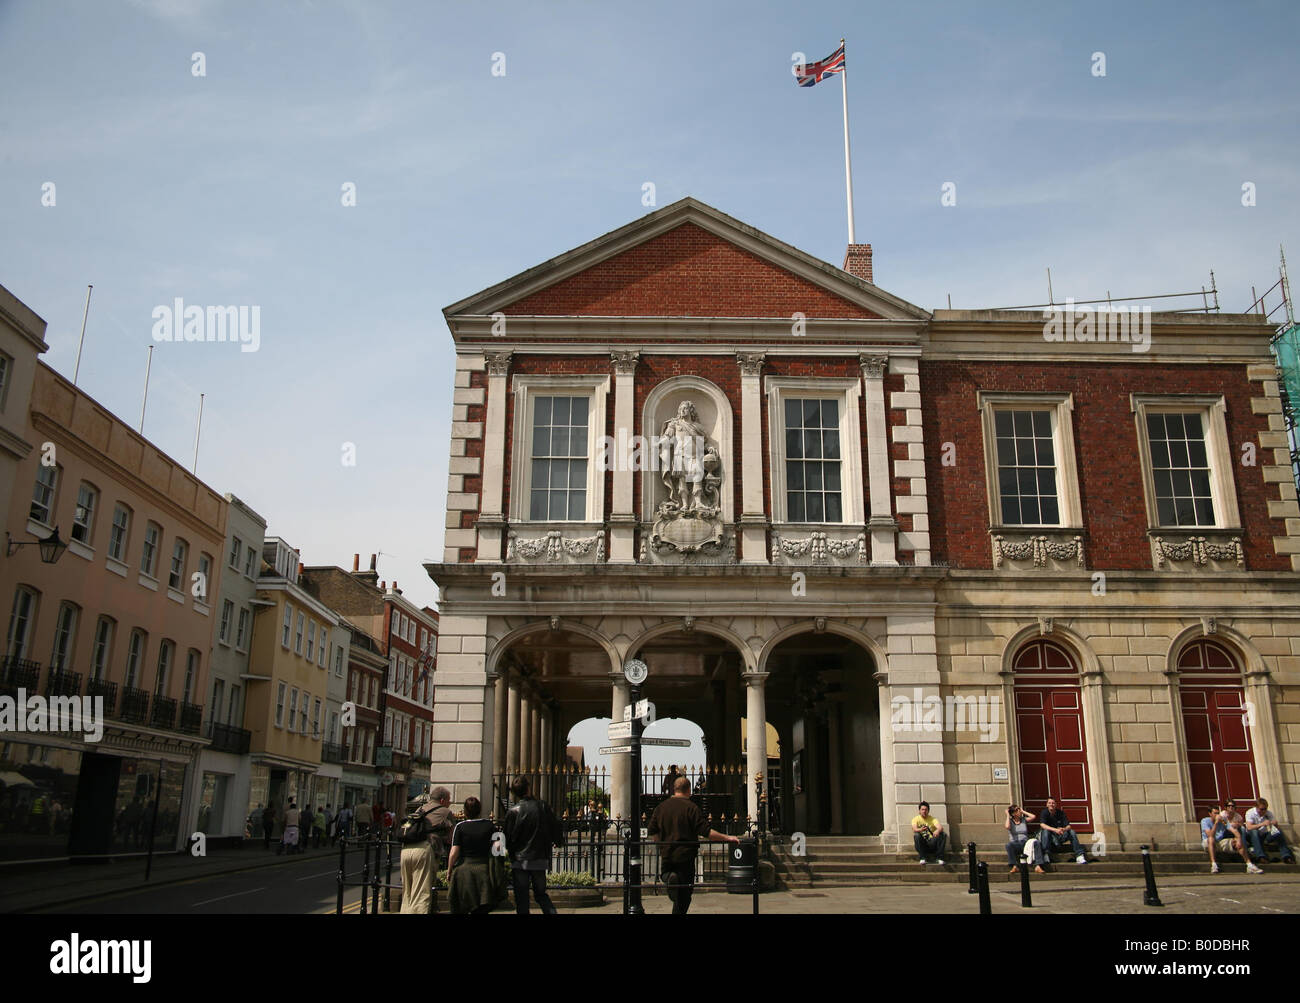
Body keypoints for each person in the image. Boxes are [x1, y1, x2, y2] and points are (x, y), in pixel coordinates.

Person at [648, 776, 739, 914]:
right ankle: (674, 882)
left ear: (674, 789)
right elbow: (706, 832)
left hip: (667, 853)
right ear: (689, 790)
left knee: (665, 874)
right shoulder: (691, 808)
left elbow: (652, 831)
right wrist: (727, 837)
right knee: (685, 896)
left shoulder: (661, 807)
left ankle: (670, 878)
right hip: (685, 855)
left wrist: (661, 844)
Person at [503, 776, 563, 915]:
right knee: (541, 895)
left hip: (519, 860)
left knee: (521, 899)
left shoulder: (513, 811)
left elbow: (507, 837)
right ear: (528, 788)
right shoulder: (542, 806)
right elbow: (555, 827)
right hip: (539, 858)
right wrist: (557, 841)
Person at [399, 787, 455, 914]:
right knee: (421, 892)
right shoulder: (446, 812)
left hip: (406, 849)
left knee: (408, 892)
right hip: (423, 850)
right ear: (442, 800)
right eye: (448, 800)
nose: (450, 802)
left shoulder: (420, 809)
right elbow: (452, 838)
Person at [447, 796, 506, 914]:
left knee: (463, 906)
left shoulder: (460, 826)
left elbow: (454, 851)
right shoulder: (489, 825)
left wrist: (449, 870)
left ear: (465, 811)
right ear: (479, 810)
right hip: (484, 871)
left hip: (464, 871)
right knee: (482, 909)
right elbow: (498, 846)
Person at [1036, 797, 1088, 866]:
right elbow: (1042, 825)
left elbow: (1068, 826)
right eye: (1049, 803)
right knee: (1045, 831)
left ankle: (1079, 855)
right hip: (1050, 838)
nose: (1051, 804)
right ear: (1047, 805)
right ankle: (1046, 854)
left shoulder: (1061, 813)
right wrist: (1055, 830)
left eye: (1053, 803)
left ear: (1056, 804)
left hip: (1060, 836)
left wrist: (1063, 829)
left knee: (1071, 832)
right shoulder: (1044, 812)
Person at [1244, 797, 1295, 864]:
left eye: (1265, 809)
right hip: (1253, 836)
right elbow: (1249, 827)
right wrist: (1262, 824)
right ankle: (1261, 856)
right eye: (1261, 809)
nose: (1263, 811)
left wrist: (1276, 825)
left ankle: (1286, 856)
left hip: (1264, 835)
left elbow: (1276, 828)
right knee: (1254, 832)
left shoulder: (1268, 813)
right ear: (1256, 808)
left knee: (1278, 832)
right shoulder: (1250, 813)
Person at [1218, 800, 1264, 873]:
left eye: (1233, 806)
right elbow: (1223, 825)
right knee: (1238, 830)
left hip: (1236, 833)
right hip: (1226, 833)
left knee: (1242, 829)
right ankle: (1245, 849)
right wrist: (1231, 825)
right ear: (1226, 807)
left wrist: (1238, 825)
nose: (1231, 807)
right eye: (1229, 806)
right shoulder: (1222, 814)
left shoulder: (1237, 816)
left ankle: (1245, 847)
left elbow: (1242, 825)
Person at [1004, 804, 1040, 873]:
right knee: (1008, 845)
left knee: (1036, 843)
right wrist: (1008, 815)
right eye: (1017, 810)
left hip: (1025, 842)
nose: (1019, 811)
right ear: (1013, 813)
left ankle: (1038, 865)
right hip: (1015, 843)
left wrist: (1023, 811)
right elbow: (1007, 827)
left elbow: (1033, 816)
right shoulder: (1010, 822)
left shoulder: (1023, 820)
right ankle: (1014, 866)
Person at [1201, 804, 1224, 873]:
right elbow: (1210, 835)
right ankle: (1214, 864)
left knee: (1236, 841)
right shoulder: (1205, 821)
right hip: (1208, 842)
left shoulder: (1222, 822)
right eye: (1215, 813)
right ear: (1210, 814)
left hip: (1219, 841)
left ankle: (1249, 863)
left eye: (1218, 813)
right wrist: (1216, 823)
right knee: (1211, 839)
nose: (1217, 815)